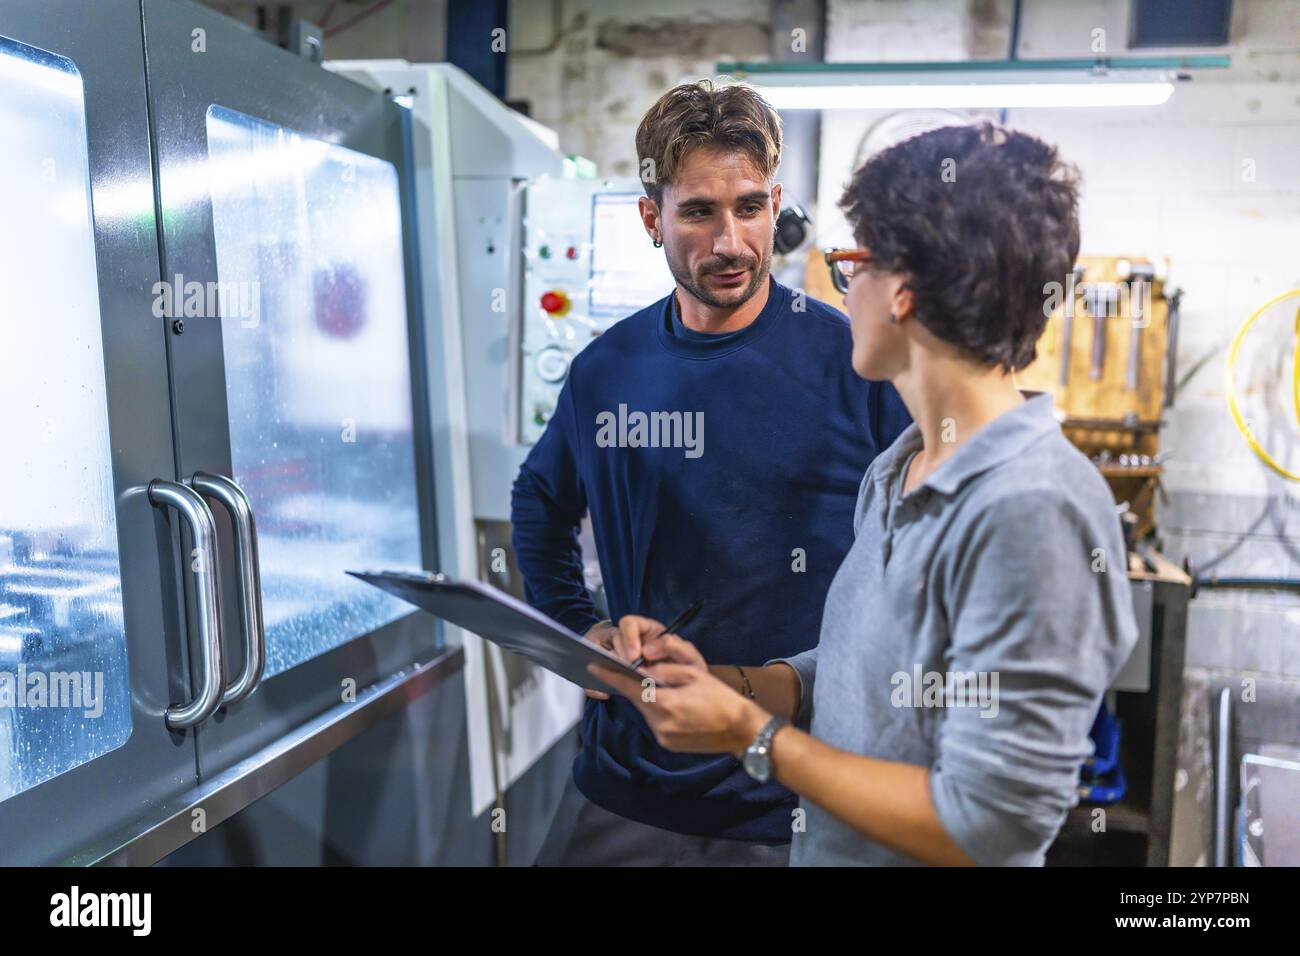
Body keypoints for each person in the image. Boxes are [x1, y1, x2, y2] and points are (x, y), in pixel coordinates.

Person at [592, 122, 1140, 866]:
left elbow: (988, 823)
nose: (842, 291)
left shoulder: (1030, 510)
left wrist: (752, 739)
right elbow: (868, 680)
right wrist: (733, 686)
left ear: (906, 292)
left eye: (853, 266)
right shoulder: (902, 467)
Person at [511, 80, 911, 866]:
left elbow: (915, 567)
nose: (731, 241)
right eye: (698, 211)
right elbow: (540, 502)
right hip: (627, 788)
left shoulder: (855, 363)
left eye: (751, 207)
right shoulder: (607, 370)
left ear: (776, 203)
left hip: (790, 795)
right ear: (652, 218)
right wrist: (578, 628)